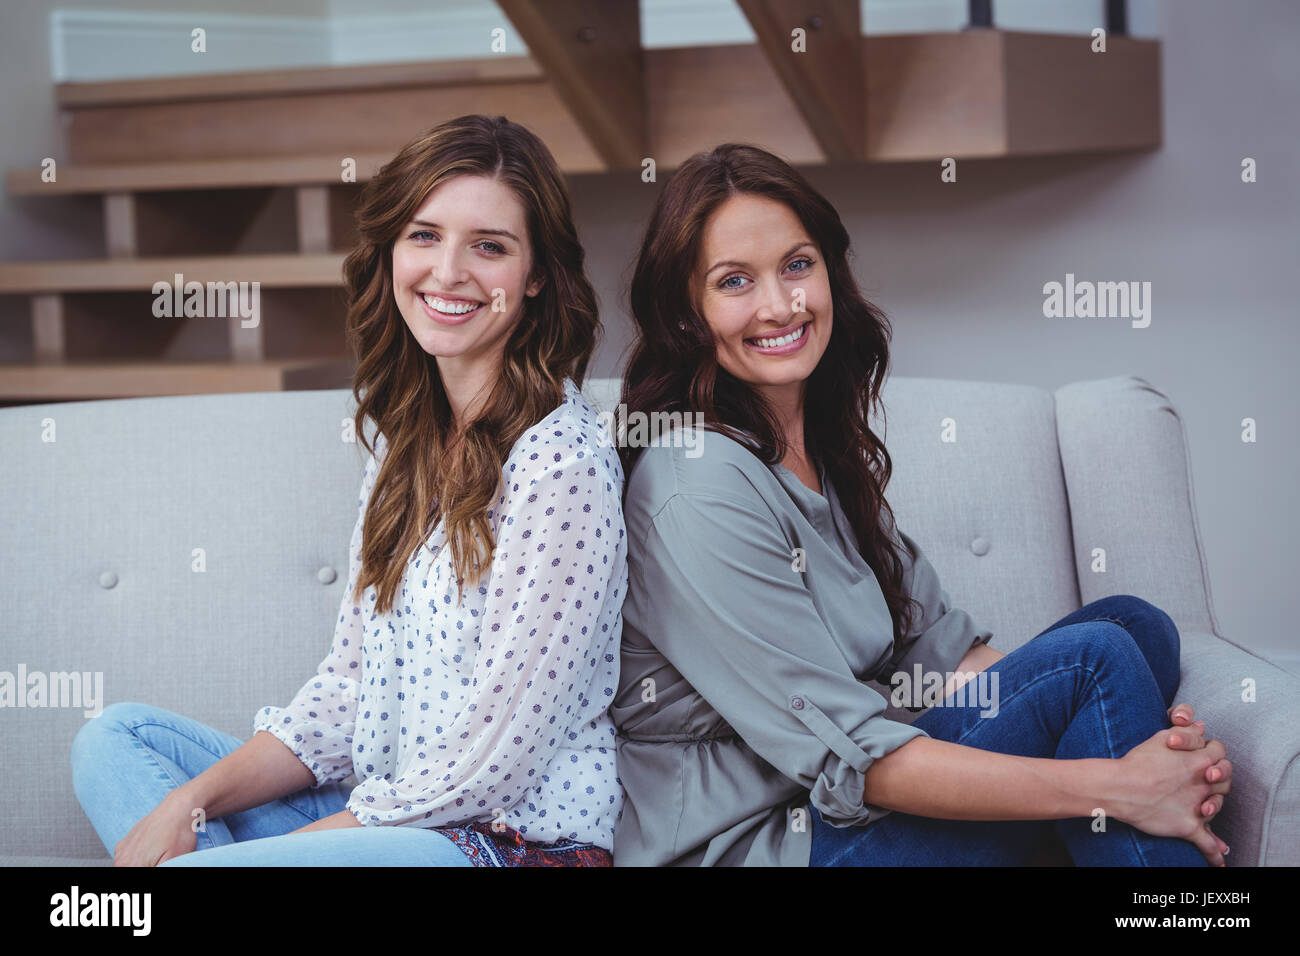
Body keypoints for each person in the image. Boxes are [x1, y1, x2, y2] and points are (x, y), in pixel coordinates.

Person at [609, 142, 1232, 867]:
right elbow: (860, 761)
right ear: (688, 311)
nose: (780, 304)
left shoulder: (821, 454)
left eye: (797, 265)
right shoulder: (697, 485)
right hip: (773, 845)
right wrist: (1113, 785)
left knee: (1133, 627)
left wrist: (1162, 759)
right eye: (735, 281)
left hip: (846, 813)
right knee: (1093, 663)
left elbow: (937, 657)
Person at [71, 114, 627, 867]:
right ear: (393, 251)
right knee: (114, 739)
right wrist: (186, 805)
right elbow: (347, 693)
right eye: (424, 235)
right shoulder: (408, 441)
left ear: (534, 278)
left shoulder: (561, 462)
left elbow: (497, 762)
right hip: (384, 811)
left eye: (488, 246)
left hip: (503, 842)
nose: (449, 270)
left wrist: (291, 851)